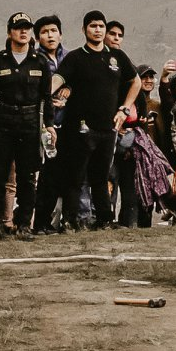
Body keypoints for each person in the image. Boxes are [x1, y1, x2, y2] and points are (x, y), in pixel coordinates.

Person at [37, 12, 130, 232]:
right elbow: (57, 80)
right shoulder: (75, 57)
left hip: (107, 128)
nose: (97, 30)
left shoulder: (117, 57)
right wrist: (40, 93)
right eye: (92, 26)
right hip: (79, 128)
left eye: (100, 26)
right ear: (84, 30)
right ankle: (71, 222)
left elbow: (134, 81)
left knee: (100, 177)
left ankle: (105, 220)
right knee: (75, 178)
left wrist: (124, 109)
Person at [0, 13, 49, 239]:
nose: (23, 31)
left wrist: (49, 126)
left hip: (29, 123)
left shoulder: (39, 61)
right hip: (2, 122)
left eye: (27, 27)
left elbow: (46, 97)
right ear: (10, 32)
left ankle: (25, 225)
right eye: (19, 28)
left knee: (27, 177)